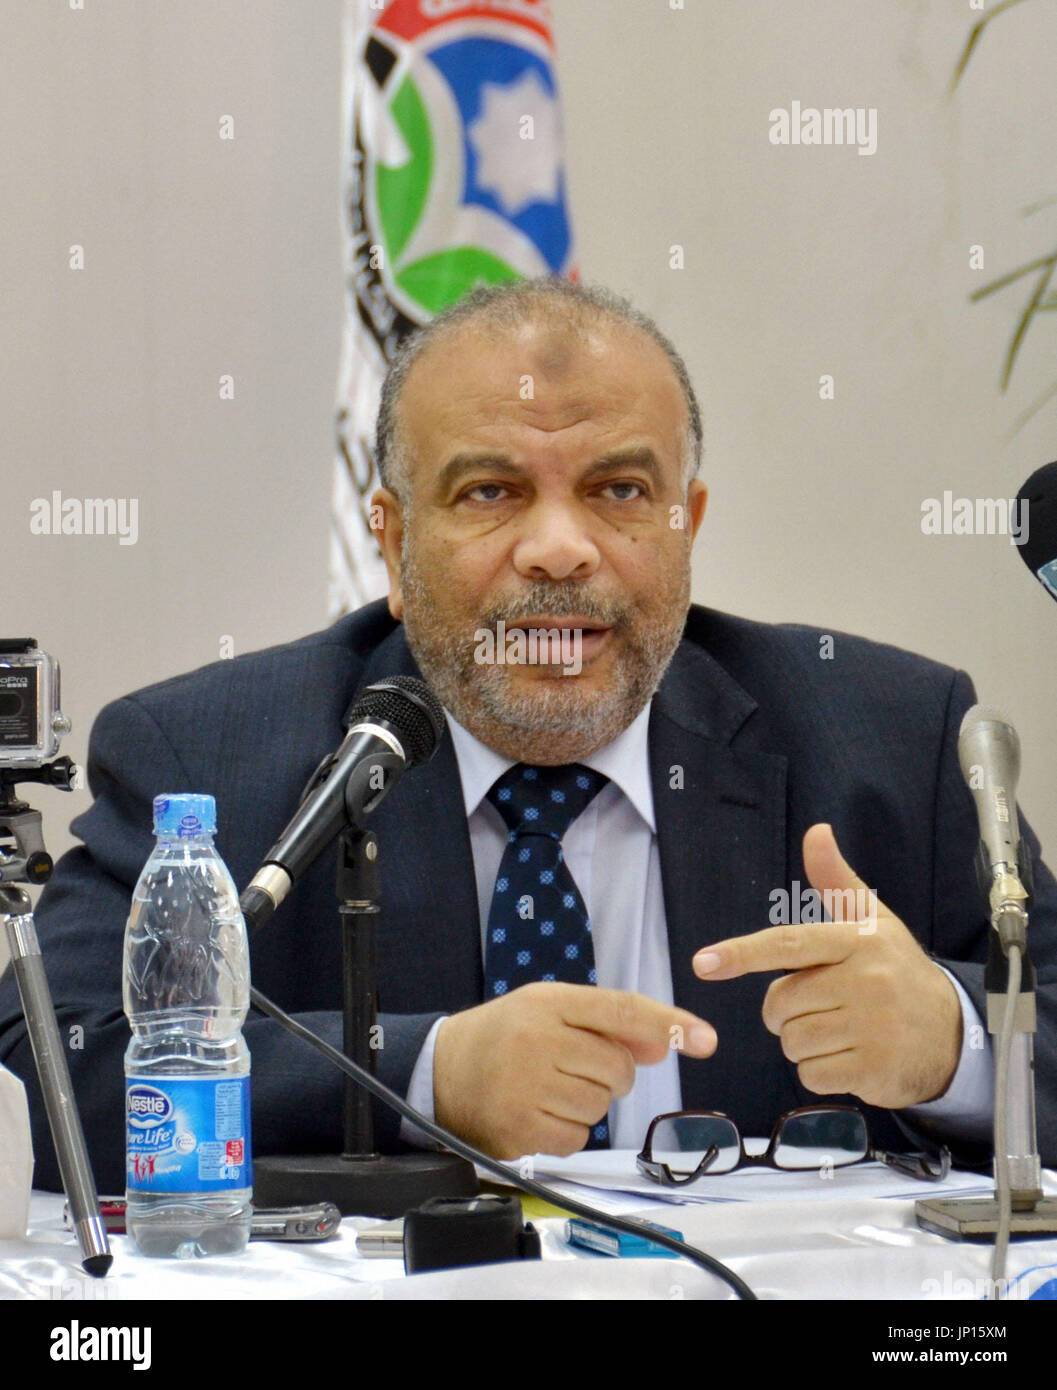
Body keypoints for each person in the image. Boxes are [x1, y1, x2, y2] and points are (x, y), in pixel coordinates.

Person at [3, 279, 1055, 1193]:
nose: (558, 549)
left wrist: (958, 1046)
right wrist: (427, 1075)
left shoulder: (891, 742)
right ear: (393, 539)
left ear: (686, 521)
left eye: (619, 491)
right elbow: (36, 1062)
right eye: (492, 491)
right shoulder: (213, 761)